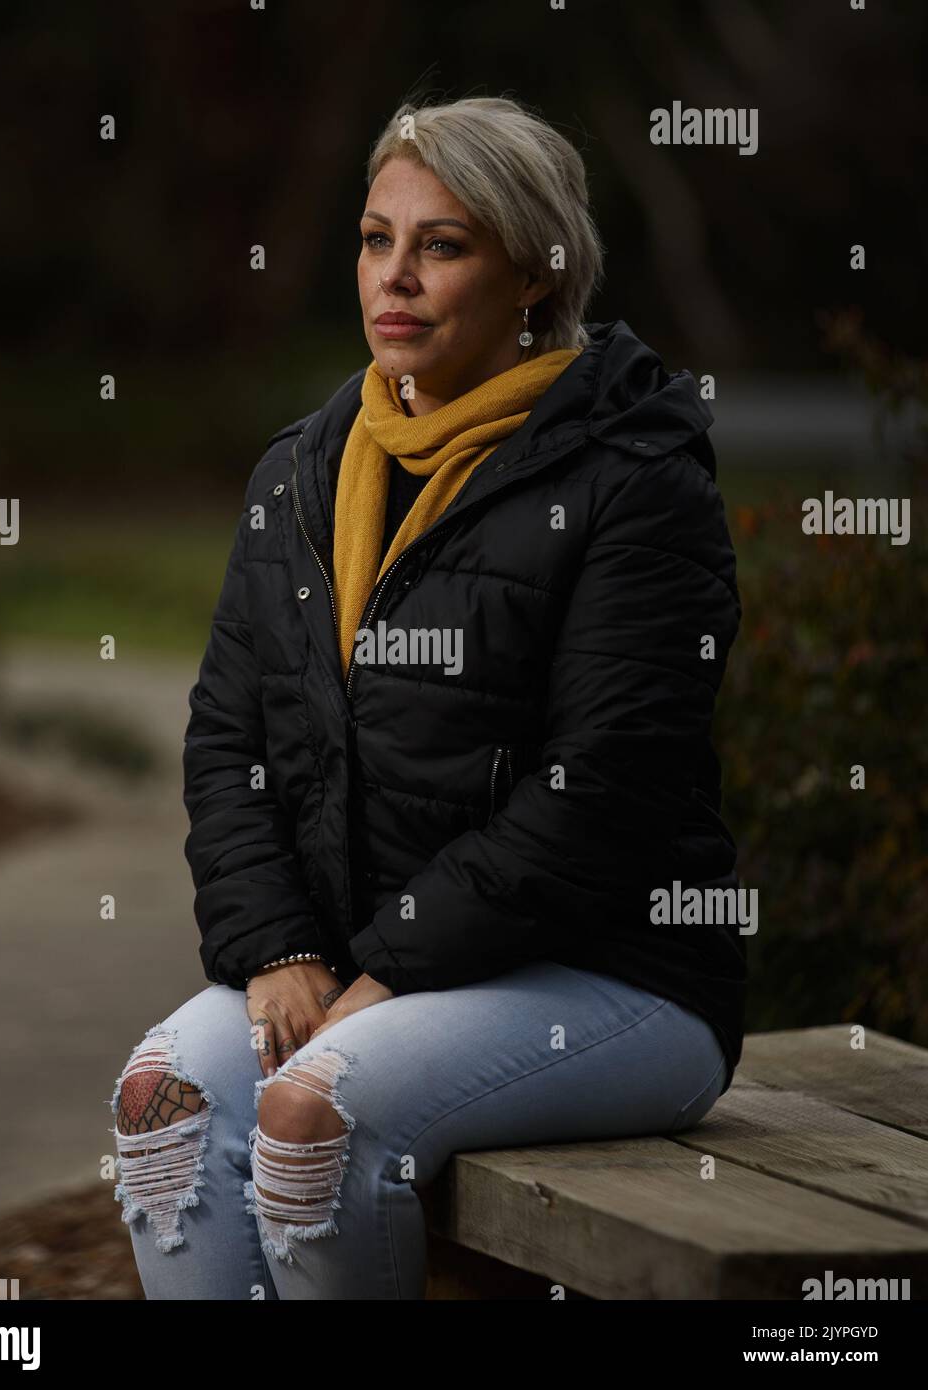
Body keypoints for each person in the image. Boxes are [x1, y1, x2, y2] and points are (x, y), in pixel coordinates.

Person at [106, 93, 746, 1300]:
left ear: (531, 278)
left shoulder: (633, 480)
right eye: (373, 238)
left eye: (441, 246)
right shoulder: (301, 470)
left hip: (614, 978)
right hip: (360, 969)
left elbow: (604, 788)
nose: (392, 278)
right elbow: (227, 739)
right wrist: (279, 947)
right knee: (164, 1099)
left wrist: (386, 972)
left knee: (313, 1118)